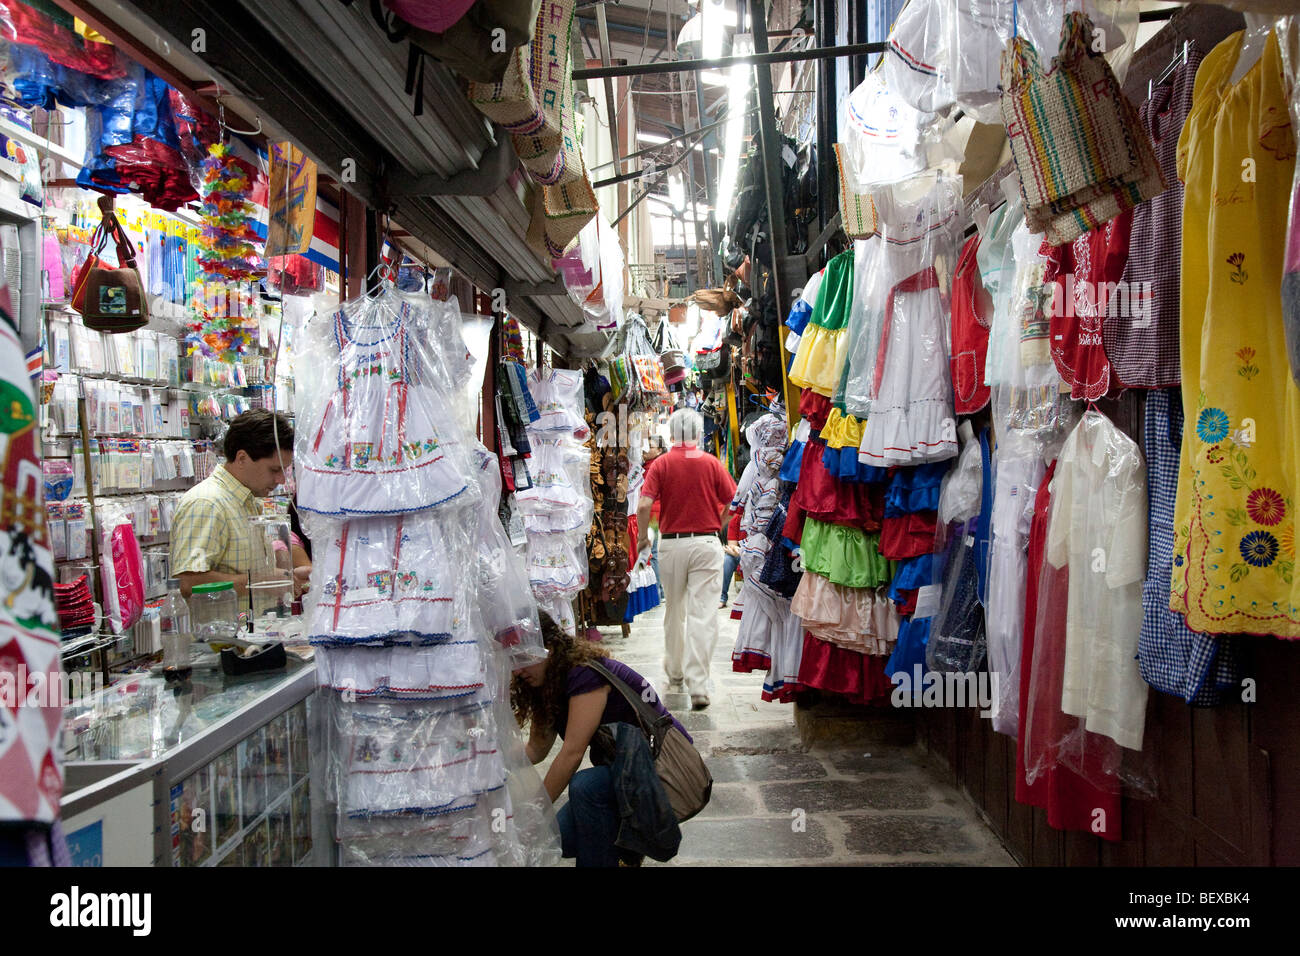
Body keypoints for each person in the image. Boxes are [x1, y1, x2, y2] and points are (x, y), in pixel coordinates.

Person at [512, 613, 691, 868]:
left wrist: (534, 812)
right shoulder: (548, 681)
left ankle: (616, 855)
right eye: (512, 661)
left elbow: (572, 753)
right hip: (627, 770)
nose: (517, 670)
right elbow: (536, 750)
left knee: (586, 787)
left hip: (665, 769)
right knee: (562, 837)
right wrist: (489, 757)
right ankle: (625, 851)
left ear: (548, 649)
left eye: (523, 657)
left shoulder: (584, 674)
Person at [636, 408, 736, 709]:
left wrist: (642, 537)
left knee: (674, 611)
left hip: (671, 546)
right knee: (703, 614)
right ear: (695, 433)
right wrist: (717, 524)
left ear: (673, 434)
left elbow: (643, 505)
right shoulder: (711, 463)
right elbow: (733, 499)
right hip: (705, 544)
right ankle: (699, 685)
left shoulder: (662, 464)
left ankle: (676, 673)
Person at [170, 409, 308, 598]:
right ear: (242, 458)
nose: (281, 480)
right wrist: (261, 582)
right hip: (224, 627)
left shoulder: (246, 501)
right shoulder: (207, 503)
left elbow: (247, 571)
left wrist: (288, 577)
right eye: (274, 469)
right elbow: (190, 583)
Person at [719, 508, 743, 608]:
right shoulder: (736, 519)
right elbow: (731, 546)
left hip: (754, 555)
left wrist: (740, 551)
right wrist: (742, 552)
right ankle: (722, 597)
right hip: (739, 555)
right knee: (727, 559)